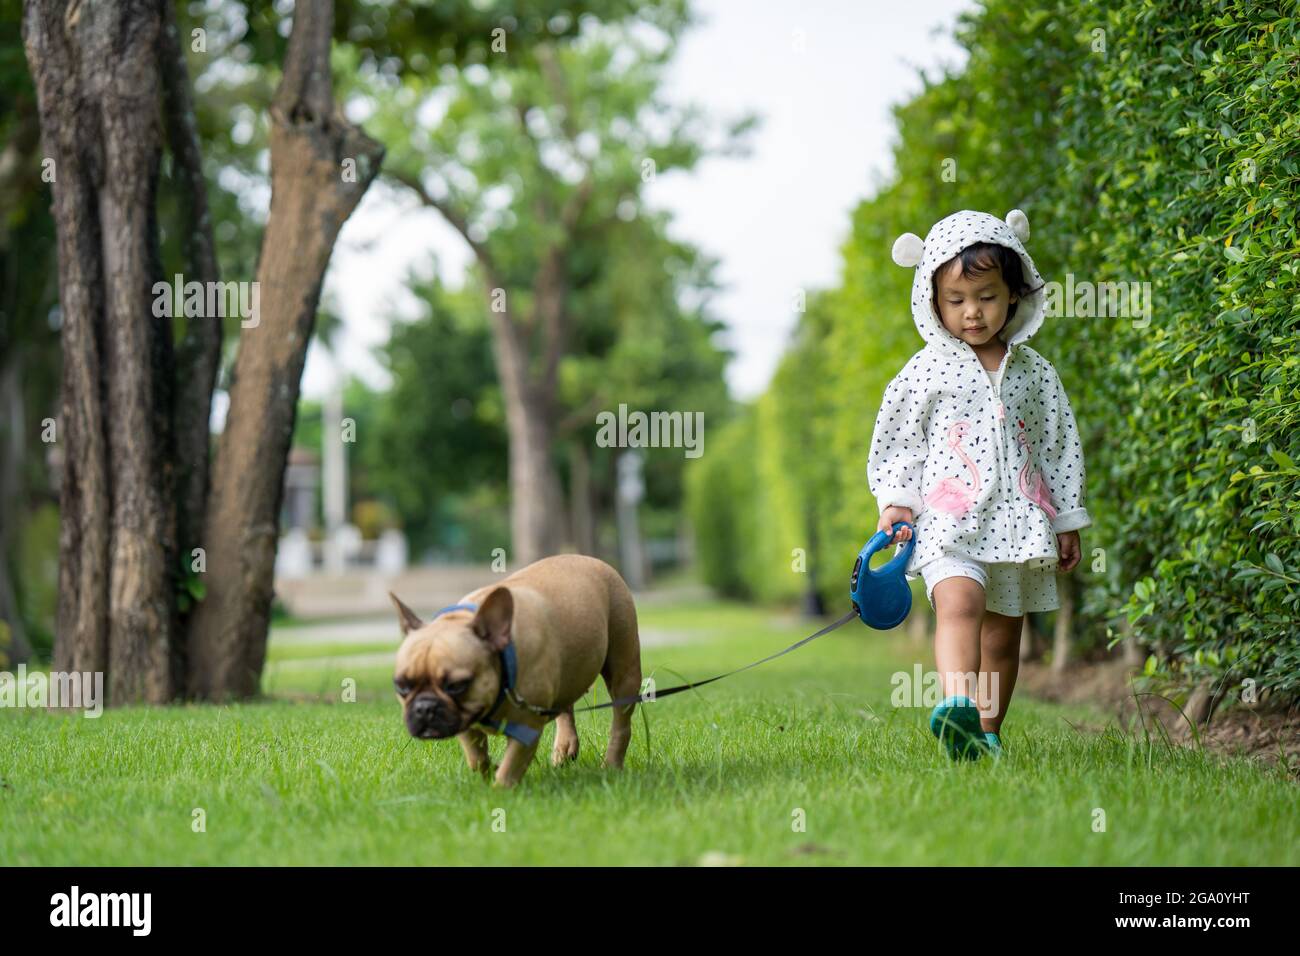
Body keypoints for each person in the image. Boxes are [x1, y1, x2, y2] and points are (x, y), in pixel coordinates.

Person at [867, 209, 1091, 760]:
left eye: (986, 297)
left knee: (1001, 638)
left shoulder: (1035, 373)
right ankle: (958, 704)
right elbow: (900, 441)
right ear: (932, 300)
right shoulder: (923, 371)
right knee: (959, 605)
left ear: (1013, 294)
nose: (972, 313)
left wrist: (1065, 518)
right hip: (950, 519)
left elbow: (1058, 445)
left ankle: (986, 736)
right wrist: (897, 501)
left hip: (1016, 520)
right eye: (956, 300)